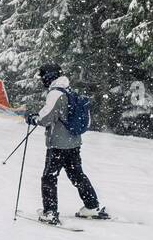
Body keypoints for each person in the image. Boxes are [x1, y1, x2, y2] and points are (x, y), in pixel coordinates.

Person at [26, 62, 107, 224]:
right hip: (74, 143)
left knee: (49, 177)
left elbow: (46, 118)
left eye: (43, 77)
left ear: (49, 77)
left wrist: (33, 118)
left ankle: (50, 213)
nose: (42, 80)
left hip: (58, 145)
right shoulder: (68, 89)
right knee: (77, 175)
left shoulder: (55, 93)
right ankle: (92, 206)